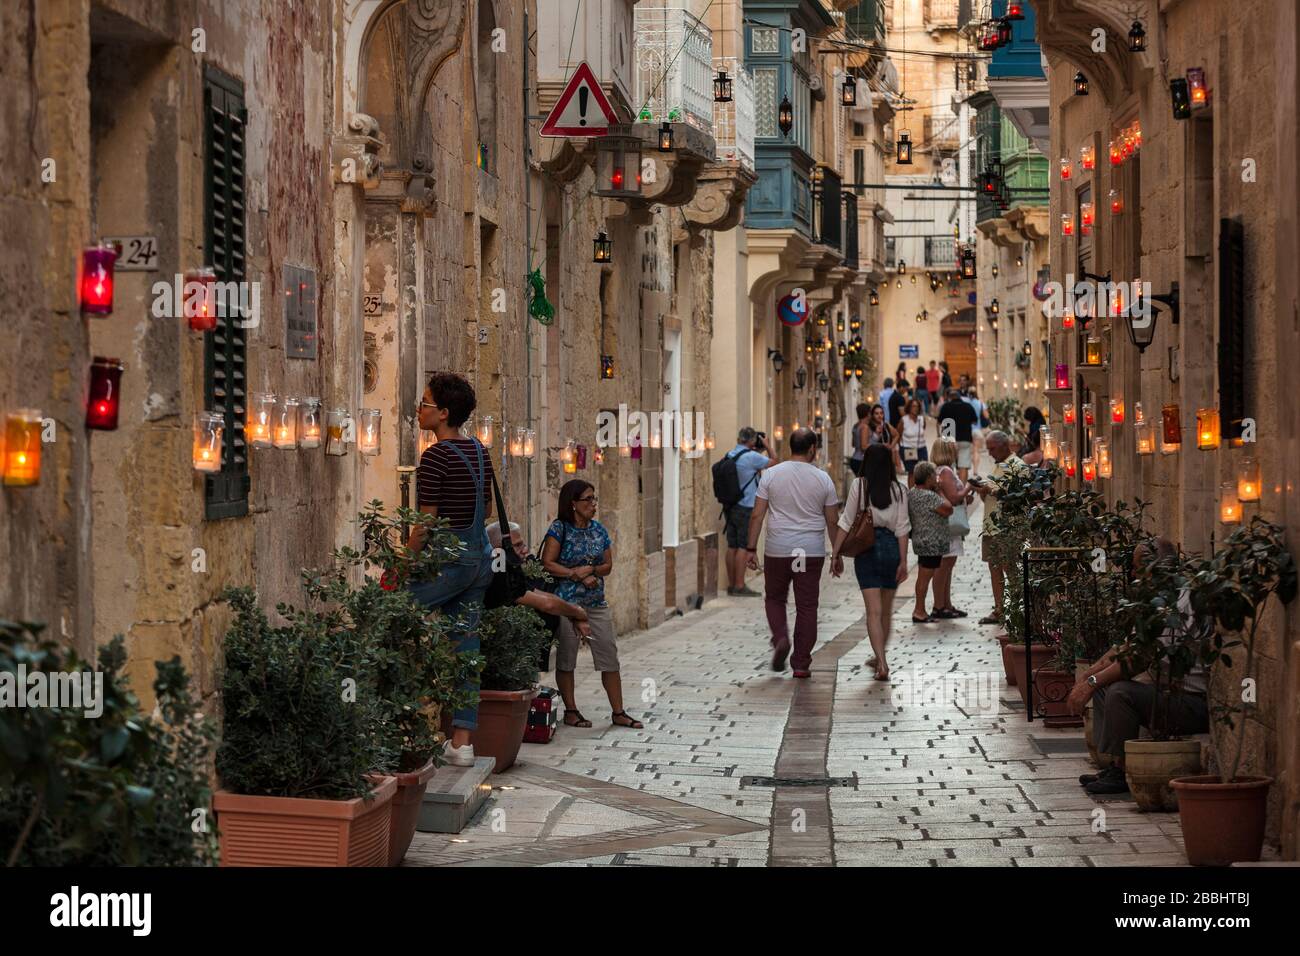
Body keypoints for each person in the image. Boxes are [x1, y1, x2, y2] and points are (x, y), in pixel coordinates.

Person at [1065, 539, 1210, 795]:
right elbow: (1126, 646)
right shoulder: (1156, 600)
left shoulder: (1179, 602)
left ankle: (1122, 772)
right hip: (1164, 694)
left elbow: (1137, 660)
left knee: (1120, 692)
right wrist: (1089, 676)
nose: (1132, 574)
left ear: (1154, 568)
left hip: (1190, 702)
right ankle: (1112, 763)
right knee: (1103, 685)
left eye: (1136, 568)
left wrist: (1091, 683)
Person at [407, 372, 496, 767]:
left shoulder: (434, 457)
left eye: (425, 404)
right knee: (466, 648)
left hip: (451, 562)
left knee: (387, 612)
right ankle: (462, 744)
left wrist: (404, 564)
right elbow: (488, 510)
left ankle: (386, 720)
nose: (419, 410)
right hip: (480, 562)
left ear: (443, 413)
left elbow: (426, 522)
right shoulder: (480, 450)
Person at [541, 480, 643, 729]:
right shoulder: (559, 528)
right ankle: (572, 710)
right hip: (566, 604)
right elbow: (547, 563)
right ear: (573, 503)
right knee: (567, 659)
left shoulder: (599, 530)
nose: (593, 504)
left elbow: (607, 565)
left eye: (594, 498)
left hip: (595, 603)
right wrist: (575, 573)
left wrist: (593, 570)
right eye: (588, 499)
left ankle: (618, 712)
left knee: (609, 656)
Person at [744, 428, 840, 678]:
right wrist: (837, 552)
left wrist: (751, 548)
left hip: (779, 549)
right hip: (810, 551)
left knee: (775, 598)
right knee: (807, 606)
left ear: (790, 447)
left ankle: (780, 638)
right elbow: (832, 521)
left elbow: (757, 514)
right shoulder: (823, 479)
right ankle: (801, 663)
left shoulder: (771, 475)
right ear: (812, 449)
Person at [831, 444, 910, 681]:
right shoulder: (899, 490)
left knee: (873, 612)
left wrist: (835, 553)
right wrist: (904, 561)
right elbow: (903, 528)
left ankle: (882, 663)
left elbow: (846, 522)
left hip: (867, 548)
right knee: (885, 612)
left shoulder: (860, 485)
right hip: (891, 549)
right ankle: (880, 656)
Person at [487, 521, 593, 643]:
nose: (525, 550)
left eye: (523, 544)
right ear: (498, 550)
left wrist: (574, 614)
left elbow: (544, 596)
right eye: (517, 545)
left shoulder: (511, 573)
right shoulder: (496, 576)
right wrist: (579, 613)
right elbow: (547, 604)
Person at [973, 430, 1029, 626]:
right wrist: (983, 491)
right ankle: (999, 609)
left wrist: (992, 490)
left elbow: (1017, 496)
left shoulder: (1018, 466)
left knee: (1009, 568)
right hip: (991, 526)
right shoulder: (997, 466)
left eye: (992, 449)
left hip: (1007, 527)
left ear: (1005, 446)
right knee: (994, 567)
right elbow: (991, 495)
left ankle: (1015, 607)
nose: (990, 453)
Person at [721, 427, 771, 596]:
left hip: (731, 505)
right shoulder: (752, 457)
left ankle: (731, 584)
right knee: (743, 545)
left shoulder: (731, 454)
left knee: (732, 545)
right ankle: (740, 585)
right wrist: (767, 445)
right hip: (746, 506)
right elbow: (775, 462)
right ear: (751, 440)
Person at [929, 437, 973, 618]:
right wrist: (970, 486)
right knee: (944, 565)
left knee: (948, 564)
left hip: (947, 523)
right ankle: (939, 605)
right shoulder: (945, 471)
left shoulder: (944, 470)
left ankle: (946, 604)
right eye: (954, 449)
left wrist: (964, 497)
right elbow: (954, 498)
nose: (957, 452)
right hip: (947, 525)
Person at [906, 461, 954, 623]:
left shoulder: (912, 493)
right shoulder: (929, 496)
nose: (936, 478)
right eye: (934, 475)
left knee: (923, 576)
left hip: (921, 540)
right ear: (927, 478)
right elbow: (948, 509)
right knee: (925, 577)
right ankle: (919, 610)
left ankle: (920, 609)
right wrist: (940, 490)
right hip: (931, 542)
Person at [937, 387, 978, 480]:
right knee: (963, 466)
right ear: (960, 397)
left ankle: (950, 488)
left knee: (949, 465)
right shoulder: (968, 406)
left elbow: (940, 423)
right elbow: (975, 421)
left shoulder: (946, 406)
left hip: (949, 439)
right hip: (965, 438)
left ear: (949, 397)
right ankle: (962, 490)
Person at [898, 397, 928, 485]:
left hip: (921, 448)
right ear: (909, 407)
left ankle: (921, 492)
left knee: (924, 471)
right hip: (908, 449)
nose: (915, 408)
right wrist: (900, 448)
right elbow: (898, 434)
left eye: (917, 406)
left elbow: (923, 430)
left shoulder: (921, 419)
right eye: (913, 406)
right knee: (912, 472)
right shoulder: (904, 420)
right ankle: (912, 495)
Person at [964, 388, 988, 471]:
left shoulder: (965, 403)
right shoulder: (980, 403)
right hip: (977, 430)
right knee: (976, 450)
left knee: (966, 450)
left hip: (966, 430)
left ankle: (966, 468)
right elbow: (986, 416)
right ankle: (975, 470)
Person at [848, 403, 871, 487]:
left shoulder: (855, 426)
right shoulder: (865, 427)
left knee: (860, 485)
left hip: (854, 458)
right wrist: (875, 446)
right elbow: (864, 446)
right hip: (861, 460)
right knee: (864, 485)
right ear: (867, 413)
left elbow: (853, 444)